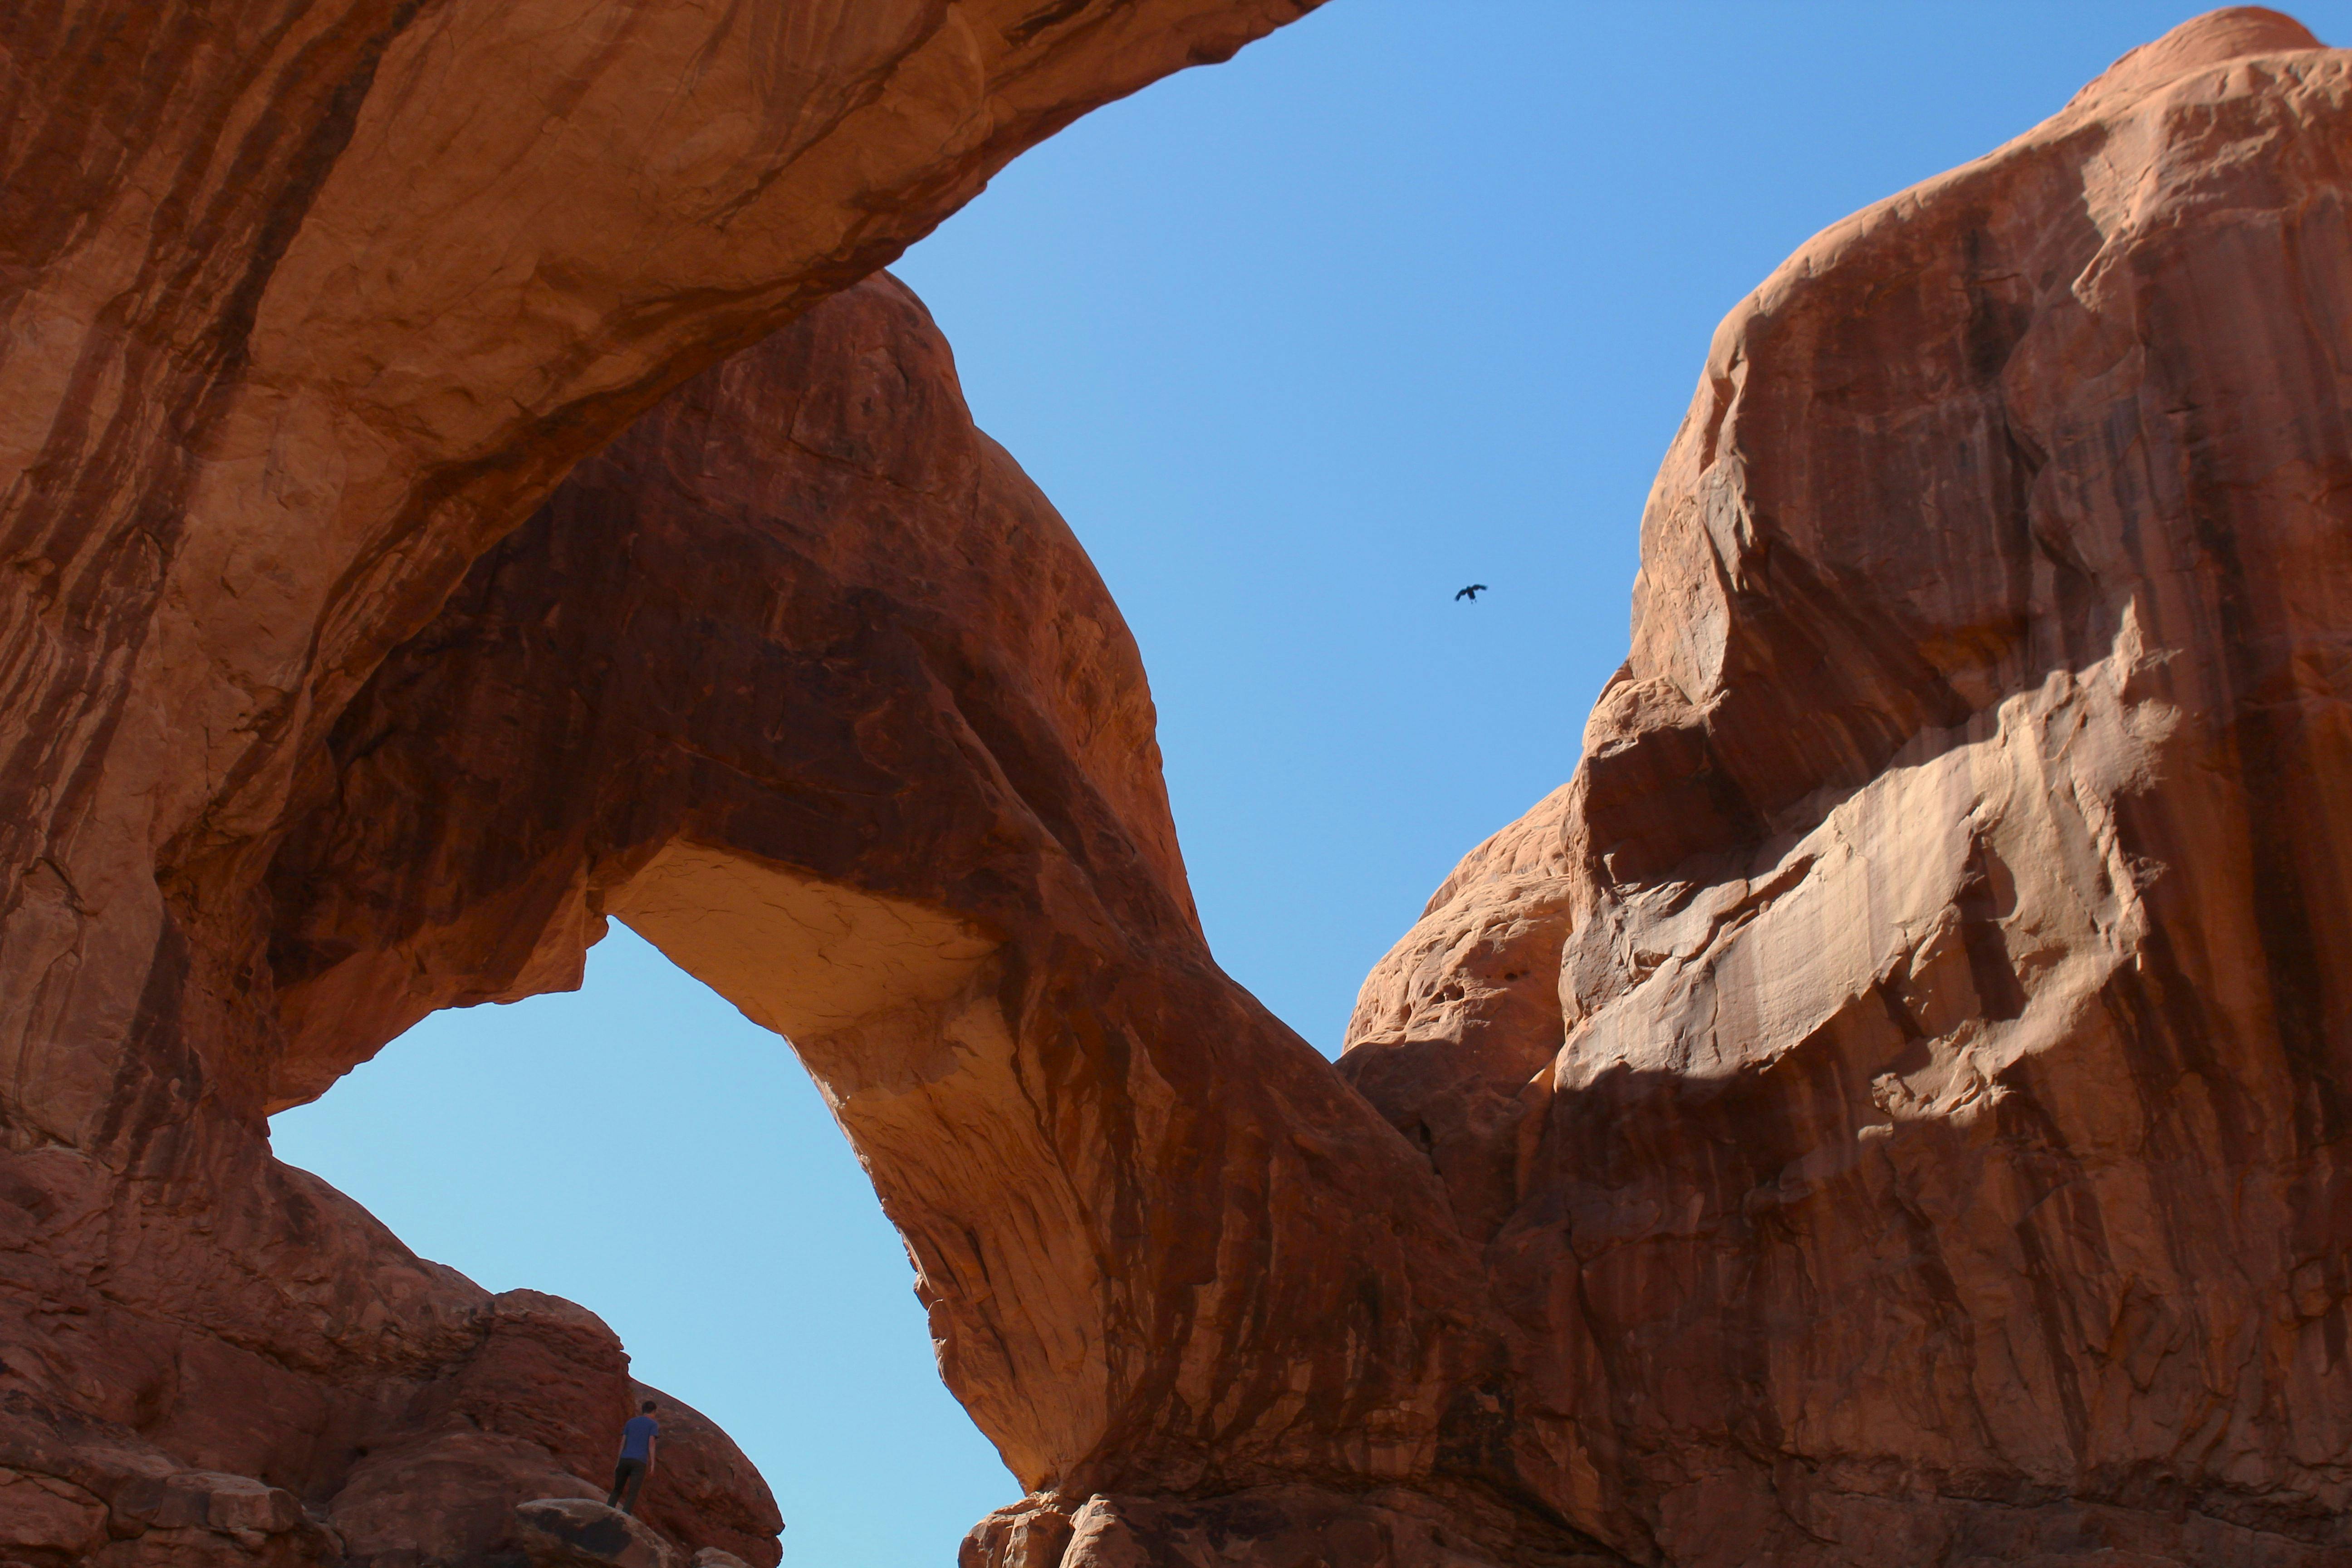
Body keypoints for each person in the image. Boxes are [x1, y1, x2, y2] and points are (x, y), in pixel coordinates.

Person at [607, 1399, 659, 1514]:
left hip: (625, 1459)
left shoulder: (630, 1422)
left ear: (643, 1410)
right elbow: (651, 1443)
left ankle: (607, 1510)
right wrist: (652, 1464)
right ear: (654, 1412)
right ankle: (625, 1517)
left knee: (617, 1489)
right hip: (639, 1462)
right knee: (633, 1492)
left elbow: (623, 1442)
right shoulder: (653, 1425)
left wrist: (618, 1461)